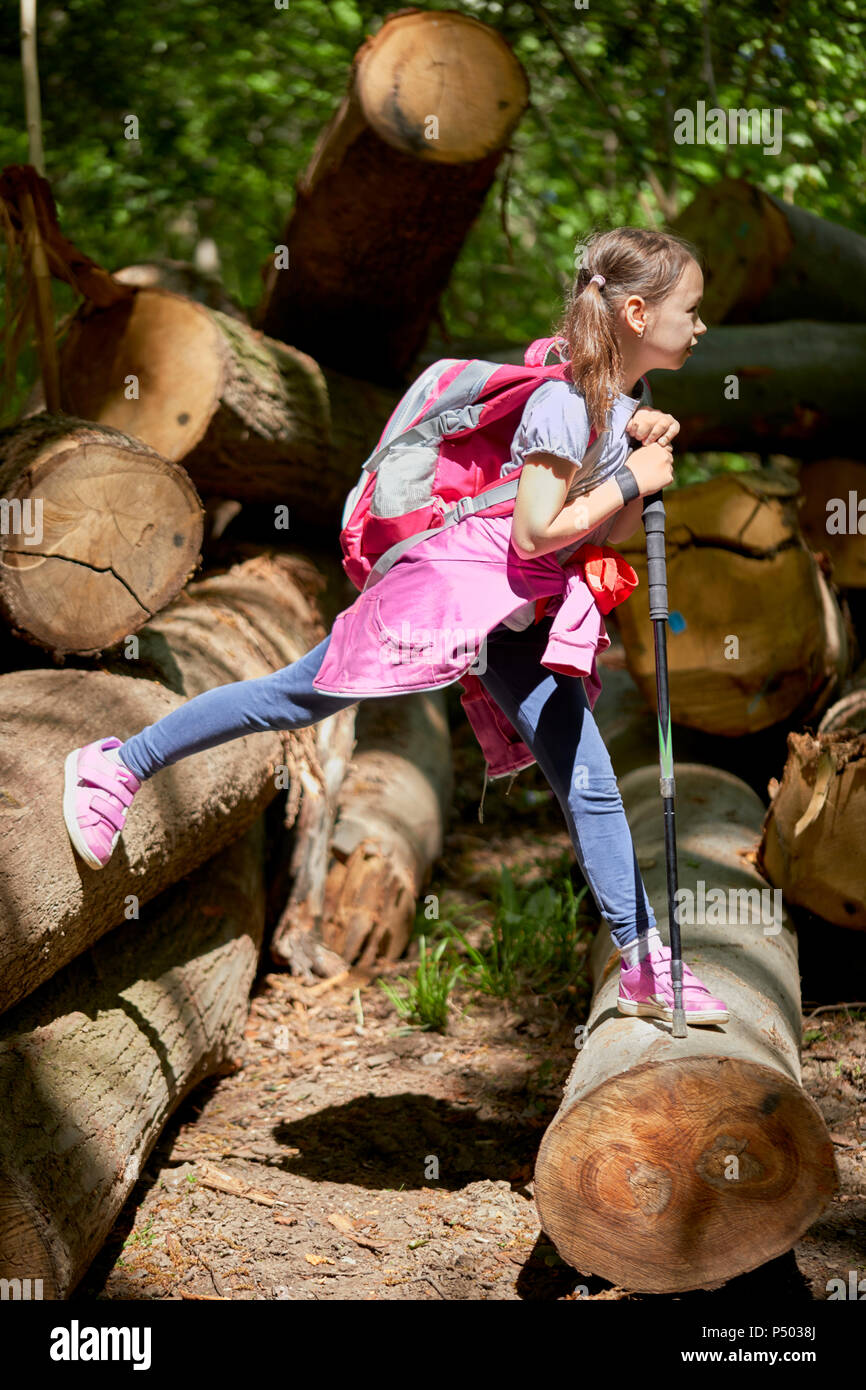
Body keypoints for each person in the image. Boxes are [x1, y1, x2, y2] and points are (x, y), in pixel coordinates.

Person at [63, 225, 727, 1026]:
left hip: (518, 614)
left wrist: (639, 463)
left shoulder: (627, 405)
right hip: (448, 587)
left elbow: (606, 533)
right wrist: (627, 473)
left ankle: (644, 961)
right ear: (632, 312)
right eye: (689, 310)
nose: (698, 326)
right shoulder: (560, 400)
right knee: (296, 697)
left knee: (585, 775)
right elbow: (533, 530)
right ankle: (118, 766)